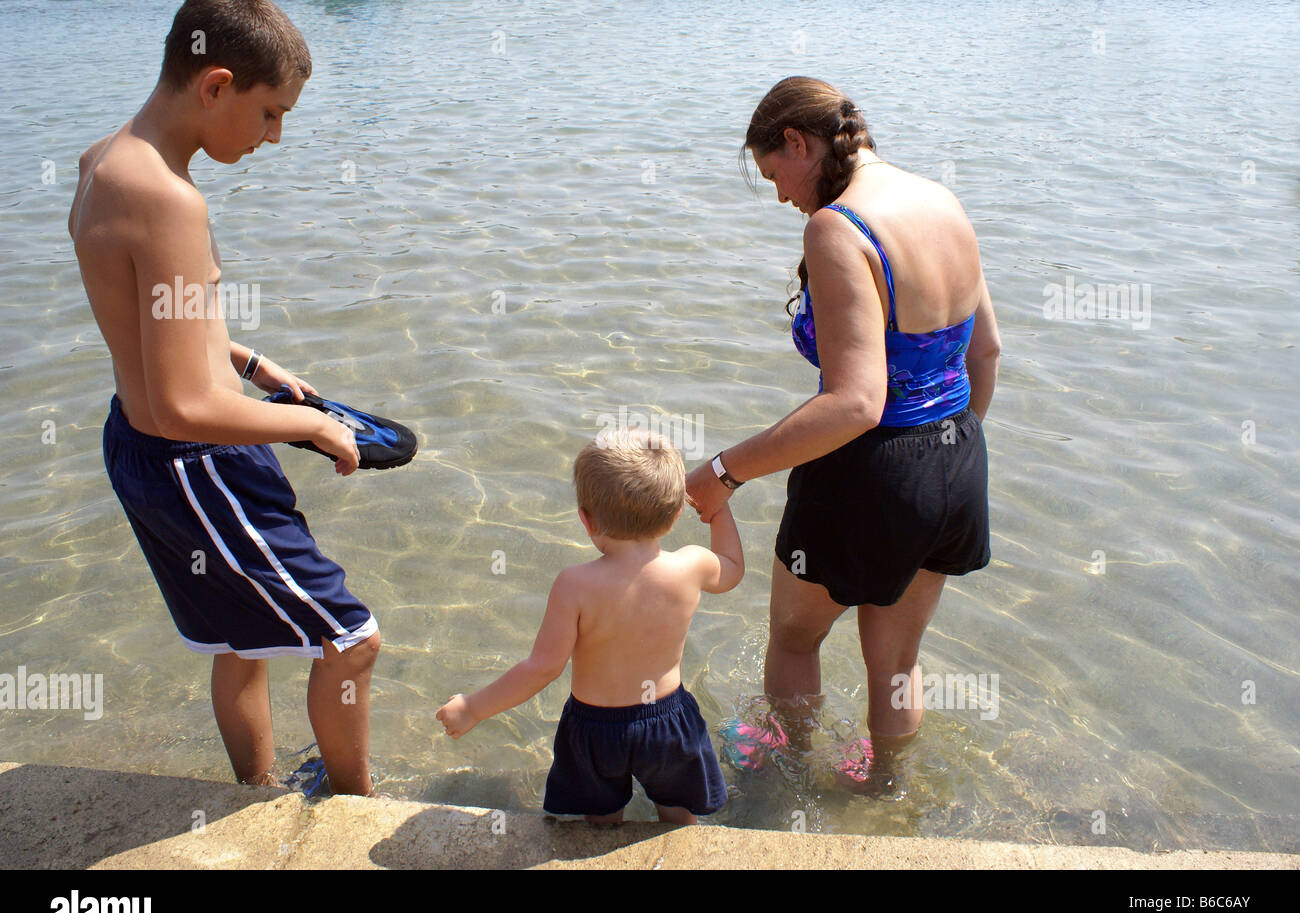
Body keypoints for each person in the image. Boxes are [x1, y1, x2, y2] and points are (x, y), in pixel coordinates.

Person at [69, 0, 382, 796]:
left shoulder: (106, 160)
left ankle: (256, 789)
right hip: (194, 460)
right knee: (351, 640)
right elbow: (181, 405)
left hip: (136, 447)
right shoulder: (174, 202)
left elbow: (144, 310)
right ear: (215, 84)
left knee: (236, 643)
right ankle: (352, 802)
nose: (274, 135)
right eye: (270, 112)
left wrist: (246, 360)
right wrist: (309, 421)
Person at [685, 76, 1002, 786]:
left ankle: (788, 777)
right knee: (897, 664)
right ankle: (884, 793)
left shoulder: (836, 227)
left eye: (774, 174)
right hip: (959, 462)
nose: (780, 195)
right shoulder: (943, 201)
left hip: (870, 471)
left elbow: (856, 403)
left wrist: (723, 471)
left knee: (795, 640)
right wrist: (938, 459)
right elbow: (984, 354)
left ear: (798, 142)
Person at [437, 430, 744, 824]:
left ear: (585, 519)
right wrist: (718, 510)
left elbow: (542, 668)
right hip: (668, 721)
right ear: (677, 514)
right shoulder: (691, 565)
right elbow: (732, 569)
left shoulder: (575, 584)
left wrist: (473, 708)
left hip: (595, 729)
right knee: (678, 815)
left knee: (600, 822)